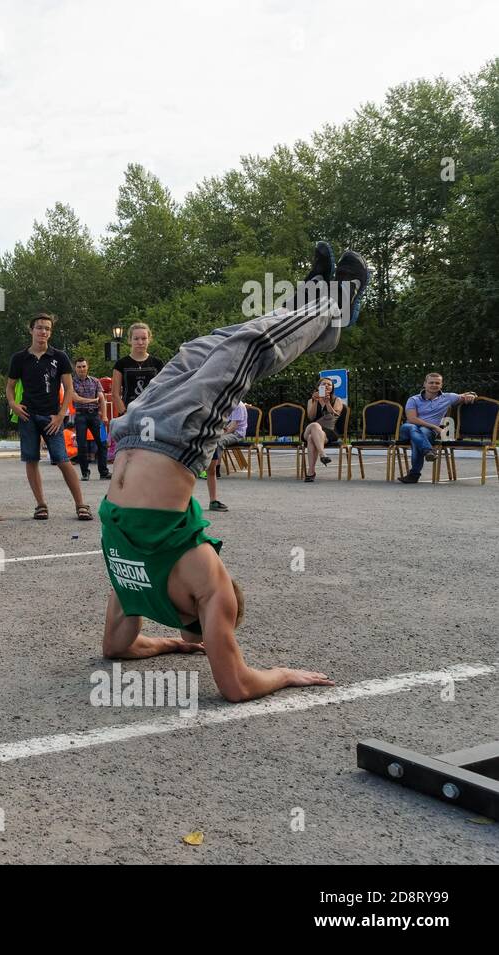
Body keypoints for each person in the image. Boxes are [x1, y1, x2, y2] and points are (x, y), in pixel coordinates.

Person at [100, 243, 368, 701]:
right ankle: (328, 306)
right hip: (175, 439)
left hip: (138, 430)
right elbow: (237, 683)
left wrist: (171, 643)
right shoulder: (190, 583)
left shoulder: (138, 590)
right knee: (243, 349)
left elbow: (115, 649)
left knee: (207, 347)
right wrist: (282, 673)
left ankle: (312, 304)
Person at [7, 313, 91, 520]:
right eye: (39, 328)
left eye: (47, 328)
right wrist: (13, 405)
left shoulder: (59, 357)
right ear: (31, 330)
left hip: (52, 417)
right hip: (28, 416)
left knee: (63, 460)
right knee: (31, 460)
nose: (43, 332)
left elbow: (69, 388)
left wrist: (61, 415)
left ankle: (81, 504)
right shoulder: (19, 358)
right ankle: (41, 505)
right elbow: (9, 387)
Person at [397, 373, 479, 484]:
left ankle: (414, 474)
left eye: (437, 383)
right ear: (425, 384)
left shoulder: (448, 397)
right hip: (408, 429)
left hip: (427, 432)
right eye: (431, 382)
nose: (434, 385)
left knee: (418, 437)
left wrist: (472, 394)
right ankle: (428, 451)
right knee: (411, 427)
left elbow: (465, 396)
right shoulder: (413, 399)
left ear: (441, 385)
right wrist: (436, 427)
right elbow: (412, 419)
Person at [110, 322, 164, 420]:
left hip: (152, 414)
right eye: (136, 339)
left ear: (149, 340)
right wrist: (125, 414)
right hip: (127, 414)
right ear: (130, 340)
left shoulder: (158, 363)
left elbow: (163, 391)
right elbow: (115, 394)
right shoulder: (121, 364)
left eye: (143, 338)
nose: (140, 342)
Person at [71, 357, 110, 481]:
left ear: (87, 367)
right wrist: (93, 400)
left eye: (83, 366)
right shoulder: (71, 382)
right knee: (82, 445)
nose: (81, 369)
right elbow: (76, 399)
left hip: (94, 416)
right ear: (75, 368)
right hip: (80, 415)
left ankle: (103, 472)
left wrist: (104, 416)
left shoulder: (95, 381)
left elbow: (102, 399)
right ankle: (85, 473)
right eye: (79, 366)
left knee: (102, 443)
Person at [207, 400, 248, 511]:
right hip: (230, 431)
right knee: (214, 438)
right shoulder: (229, 404)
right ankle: (207, 466)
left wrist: (220, 434)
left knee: (219, 441)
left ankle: (217, 470)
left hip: (237, 434)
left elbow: (234, 426)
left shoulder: (238, 406)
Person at [302, 376, 345, 482]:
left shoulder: (337, 400)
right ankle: (323, 454)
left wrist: (327, 403)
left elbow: (334, 416)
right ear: (318, 387)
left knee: (312, 437)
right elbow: (311, 417)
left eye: (329, 384)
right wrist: (315, 401)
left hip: (329, 430)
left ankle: (310, 472)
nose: (326, 386)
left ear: (332, 388)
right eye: (324, 384)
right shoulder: (311, 400)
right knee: (315, 426)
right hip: (310, 428)